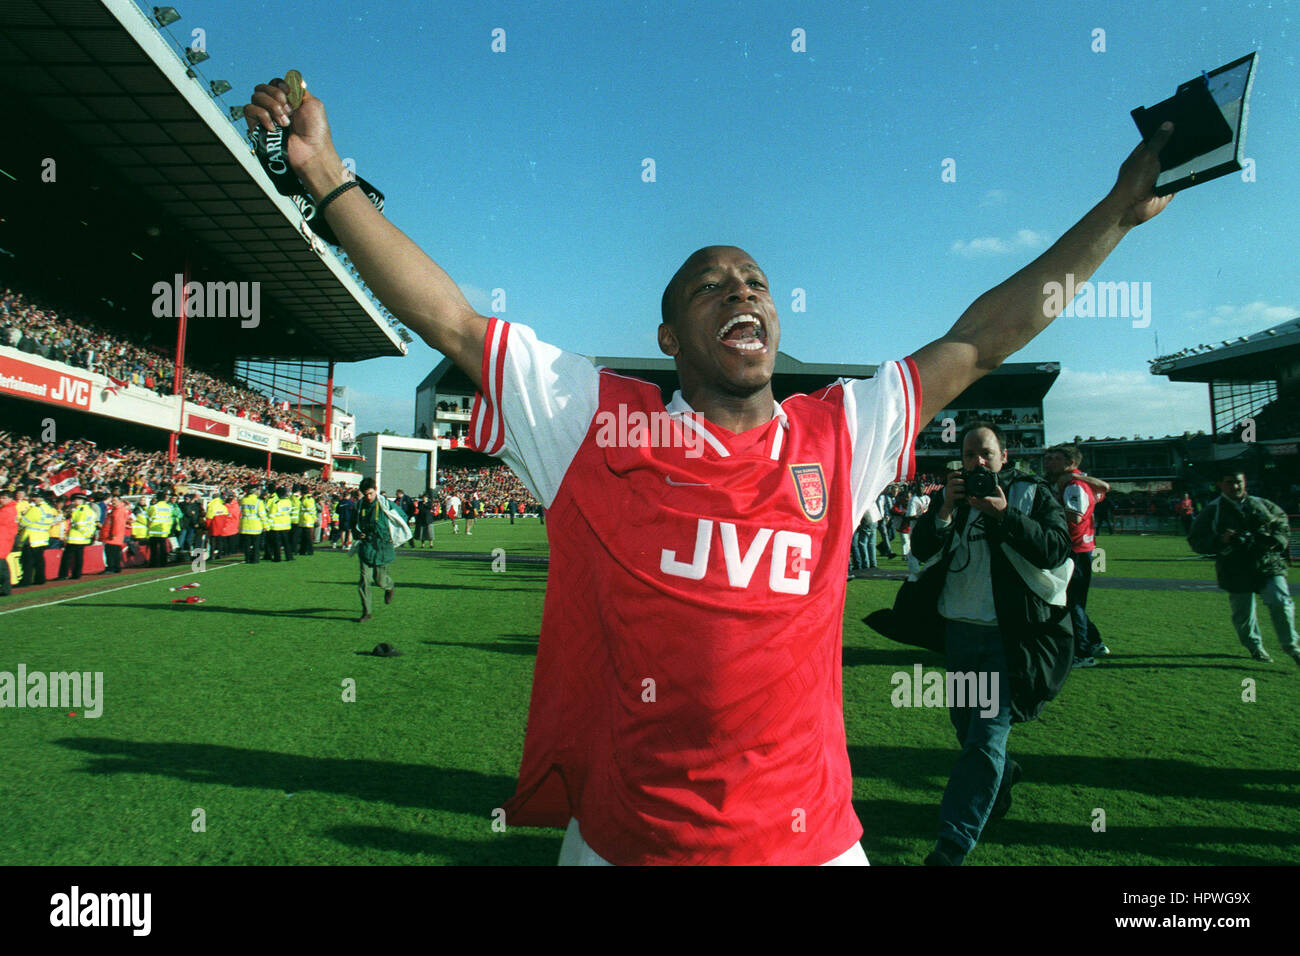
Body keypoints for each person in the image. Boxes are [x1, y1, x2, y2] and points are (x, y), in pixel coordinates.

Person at [243, 74, 1172, 865]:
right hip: (624, 842)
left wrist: (1118, 216)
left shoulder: (839, 433)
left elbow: (976, 340)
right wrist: (324, 175)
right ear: (668, 337)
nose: (743, 291)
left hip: (810, 845)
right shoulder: (597, 425)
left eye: (757, 282)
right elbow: (448, 319)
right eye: (711, 286)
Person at [910, 423, 1073, 865]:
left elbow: (1057, 548)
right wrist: (943, 509)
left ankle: (951, 845)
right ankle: (1002, 778)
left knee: (984, 740)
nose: (977, 463)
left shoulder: (1029, 494)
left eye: (985, 454)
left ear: (1005, 455)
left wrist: (1005, 515)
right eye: (968, 455)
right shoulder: (953, 497)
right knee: (969, 734)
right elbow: (921, 549)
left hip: (1005, 637)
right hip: (959, 633)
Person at [1187, 469, 1300, 666]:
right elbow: (1196, 540)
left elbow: (1282, 523)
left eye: (1239, 482)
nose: (1235, 486)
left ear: (1245, 482)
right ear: (1220, 485)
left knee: (1281, 601)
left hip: (1267, 563)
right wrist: (1221, 540)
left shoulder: (1262, 504)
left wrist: (1275, 541)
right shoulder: (1212, 510)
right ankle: (1254, 646)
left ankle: (1292, 647)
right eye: (1230, 482)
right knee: (1244, 614)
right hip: (1234, 567)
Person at [1044, 445, 1109, 666]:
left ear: (1071, 463)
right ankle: (1094, 642)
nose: (1049, 462)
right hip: (1083, 547)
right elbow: (1102, 492)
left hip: (1076, 549)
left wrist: (1049, 508)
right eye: (1048, 458)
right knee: (1074, 601)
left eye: (1055, 458)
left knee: (1073, 602)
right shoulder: (1079, 482)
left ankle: (1082, 653)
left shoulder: (1073, 485)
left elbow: (1075, 516)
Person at [351, 477, 396, 623]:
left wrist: (391, 534)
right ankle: (367, 611)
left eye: (370, 493)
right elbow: (353, 524)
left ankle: (389, 587)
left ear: (375, 490)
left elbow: (401, 518)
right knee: (364, 580)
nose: (369, 497)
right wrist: (357, 534)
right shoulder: (359, 506)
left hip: (382, 547)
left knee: (380, 581)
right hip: (366, 546)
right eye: (366, 494)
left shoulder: (386, 504)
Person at [56, 493, 98, 580]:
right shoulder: (90, 511)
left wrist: (85, 533)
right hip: (83, 538)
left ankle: (63, 575)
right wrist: (88, 534)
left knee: (67, 557)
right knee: (79, 557)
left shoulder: (80, 511)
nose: (74, 502)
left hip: (75, 537)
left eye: (75, 500)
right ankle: (76, 574)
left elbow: (79, 524)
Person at [99, 494, 129, 574]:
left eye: (115, 501)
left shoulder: (118, 511)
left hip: (113, 536)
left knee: (110, 552)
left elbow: (117, 523)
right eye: (112, 501)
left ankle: (111, 567)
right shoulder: (118, 510)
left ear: (120, 501)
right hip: (116, 536)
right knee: (115, 552)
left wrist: (114, 533)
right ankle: (116, 567)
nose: (113, 502)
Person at [239, 485, 266, 564]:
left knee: (246, 544)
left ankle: (247, 559)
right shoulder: (258, 502)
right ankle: (255, 559)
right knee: (256, 544)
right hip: (255, 526)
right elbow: (262, 515)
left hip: (245, 525)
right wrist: (265, 526)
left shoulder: (243, 500)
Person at [0, 488, 16, 595]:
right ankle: (6, 588)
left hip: (3, 539)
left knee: (2, 566)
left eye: (4, 498)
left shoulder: (6, 510)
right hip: (5, 539)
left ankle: (6, 589)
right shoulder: (10, 509)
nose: (1, 500)